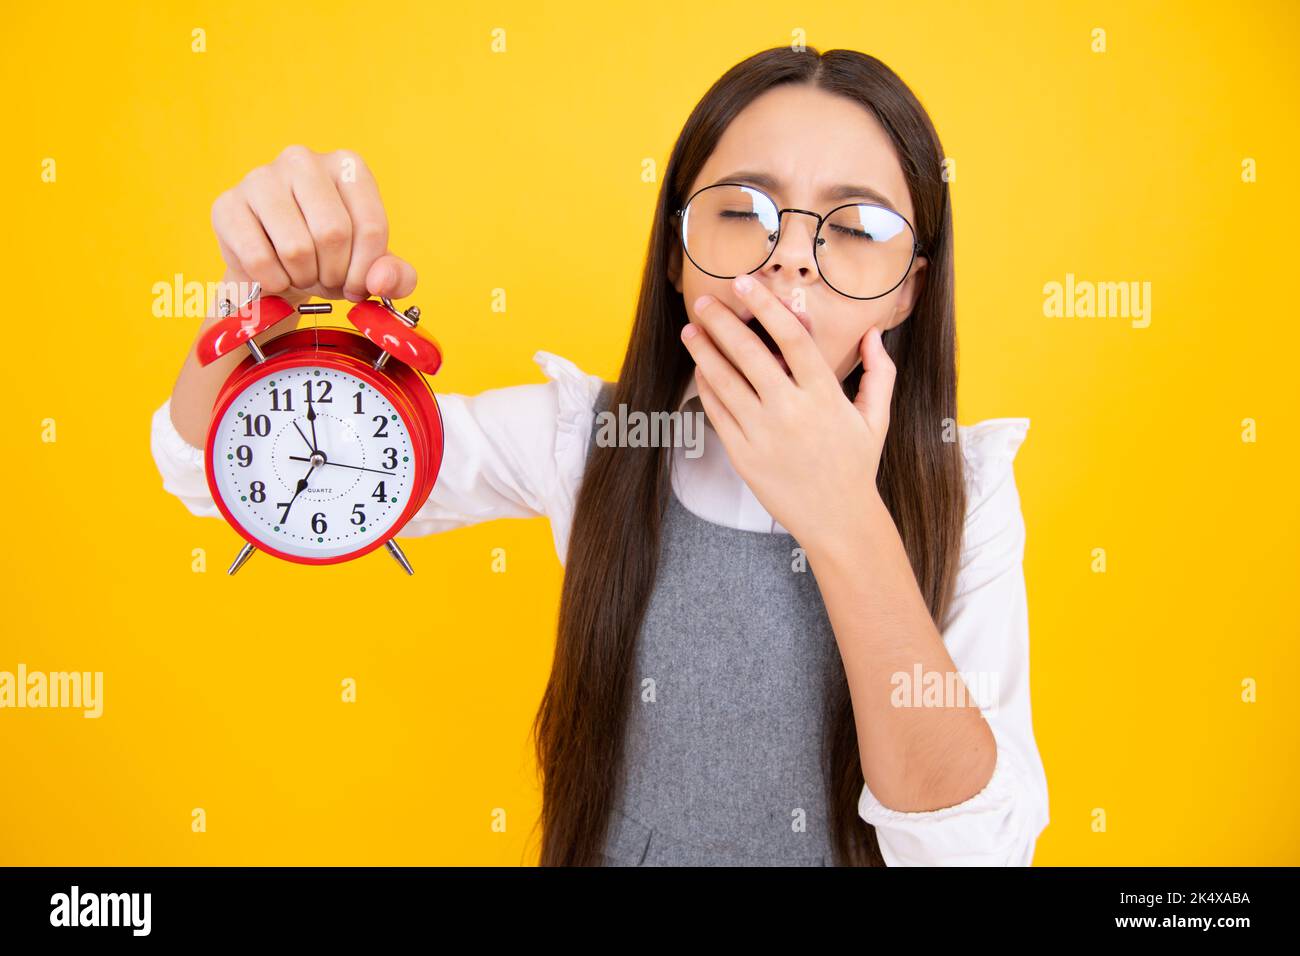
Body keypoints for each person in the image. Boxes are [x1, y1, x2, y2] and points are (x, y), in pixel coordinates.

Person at [151, 45, 1050, 866]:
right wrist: (256, 299)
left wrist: (847, 521)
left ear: (908, 294)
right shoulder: (589, 440)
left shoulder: (966, 491)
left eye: (855, 228)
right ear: (675, 255)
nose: (792, 264)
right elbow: (211, 475)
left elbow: (977, 854)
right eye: (742, 211)